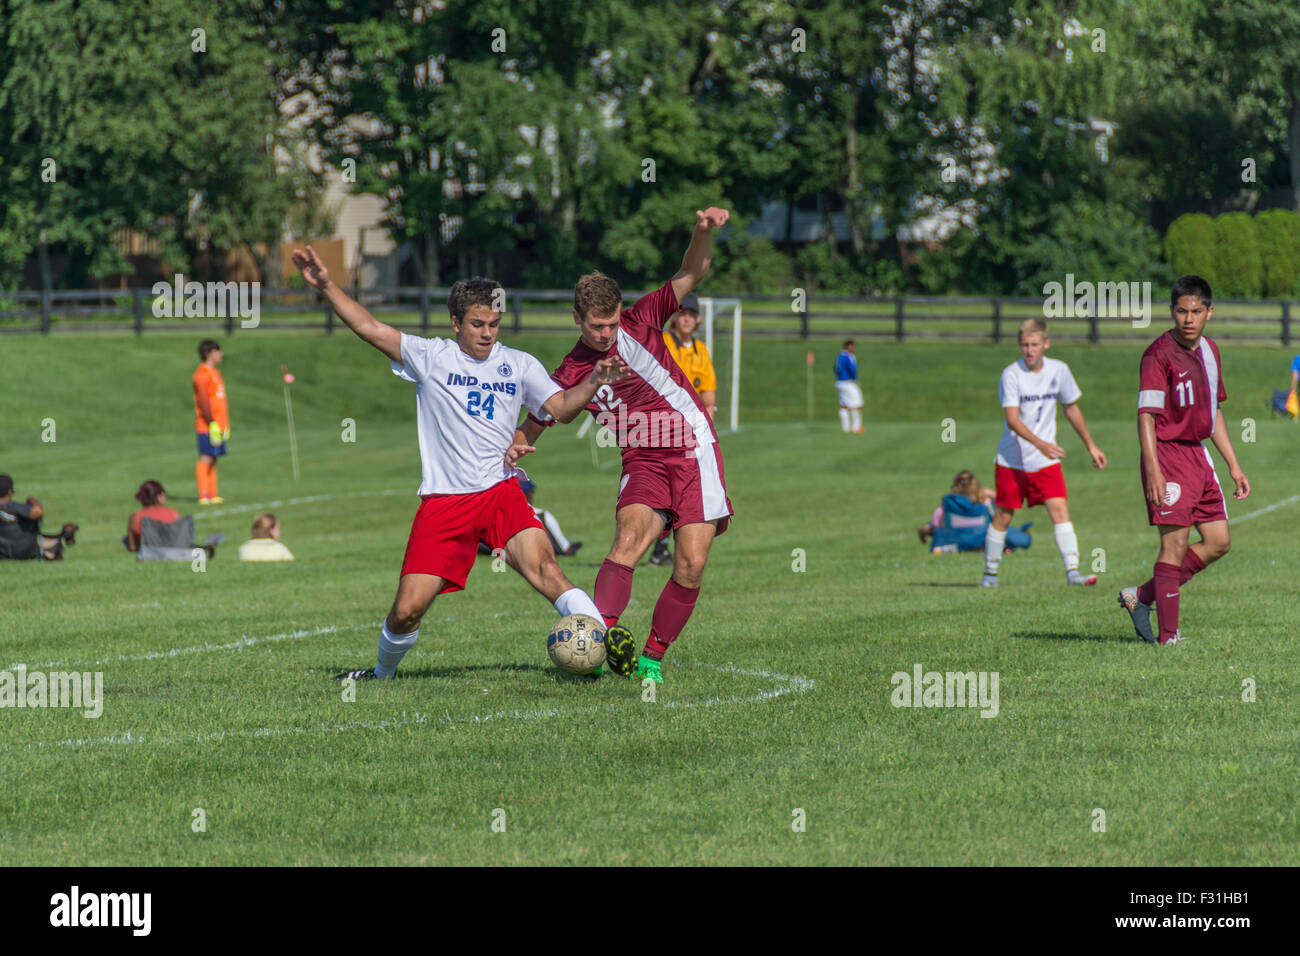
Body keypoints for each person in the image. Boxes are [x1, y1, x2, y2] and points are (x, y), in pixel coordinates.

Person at [291, 245, 626, 681]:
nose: (487, 333)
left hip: (500, 492)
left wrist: (595, 381)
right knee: (407, 611)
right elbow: (369, 327)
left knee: (547, 570)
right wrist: (327, 285)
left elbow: (561, 408)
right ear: (455, 323)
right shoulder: (431, 357)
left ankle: (603, 640)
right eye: (477, 324)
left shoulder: (518, 365)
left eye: (493, 324)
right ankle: (381, 673)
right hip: (445, 503)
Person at [511, 207, 733, 686]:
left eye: (611, 325)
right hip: (643, 457)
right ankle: (598, 640)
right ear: (577, 319)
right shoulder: (572, 369)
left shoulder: (644, 317)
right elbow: (546, 415)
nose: (607, 334)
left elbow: (693, 271)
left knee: (691, 564)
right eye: (596, 327)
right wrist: (515, 449)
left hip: (691, 444)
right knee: (626, 544)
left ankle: (652, 656)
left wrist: (701, 229)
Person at [1118, 276, 1250, 645]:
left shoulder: (1210, 351)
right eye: (1181, 311)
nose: (1188, 318)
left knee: (1218, 541)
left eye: (1196, 311)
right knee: (1173, 547)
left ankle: (1141, 597)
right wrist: (1154, 470)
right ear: (1172, 311)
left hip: (1198, 454)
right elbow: (1145, 415)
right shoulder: (1157, 354)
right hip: (1167, 453)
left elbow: (1215, 412)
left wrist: (1233, 465)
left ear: (1210, 312)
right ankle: (1168, 637)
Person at [980, 318, 1107, 588]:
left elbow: (1071, 408)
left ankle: (1073, 572)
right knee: (1003, 515)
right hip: (1012, 459)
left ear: (1046, 344)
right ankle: (990, 576)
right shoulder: (1011, 374)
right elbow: (1013, 419)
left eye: (1034, 344)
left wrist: (1091, 445)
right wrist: (1041, 443)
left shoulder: (1059, 370)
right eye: (1024, 345)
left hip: (1045, 460)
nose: (1029, 350)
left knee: (1059, 508)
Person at [650, 292, 719, 566]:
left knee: (686, 491)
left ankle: (669, 546)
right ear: (675, 317)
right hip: (664, 425)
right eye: (683, 314)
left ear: (698, 319)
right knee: (663, 488)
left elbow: (709, 396)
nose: (687, 319)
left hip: (694, 429)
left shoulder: (701, 349)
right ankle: (657, 544)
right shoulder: (664, 342)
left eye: (692, 314)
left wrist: (706, 431)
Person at [918, 470, 1032, 554]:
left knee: (938, 530)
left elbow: (935, 527)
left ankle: (950, 548)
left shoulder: (945, 507)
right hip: (981, 540)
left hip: (953, 539)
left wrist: (923, 530)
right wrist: (991, 493)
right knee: (1007, 533)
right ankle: (1003, 548)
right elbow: (1005, 502)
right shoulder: (986, 504)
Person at [477, 477, 581, 557]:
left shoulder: (491, 515)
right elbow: (565, 549)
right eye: (532, 492)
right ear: (527, 494)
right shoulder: (541, 515)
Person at [0, 474, 77, 561]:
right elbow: (38, 512)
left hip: (2, 552)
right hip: (26, 551)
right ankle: (58, 542)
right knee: (53, 540)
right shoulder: (13, 507)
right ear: (10, 491)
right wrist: (31, 500)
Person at [193, 340, 230, 505]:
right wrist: (211, 422)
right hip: (207, 424)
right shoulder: (201, 374)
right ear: (209, 354)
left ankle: (213, 493)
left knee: (214, 458)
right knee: (206, 457)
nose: (220, 355)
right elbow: (203, 400)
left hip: (219, 423)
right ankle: (203, 494)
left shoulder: (215, 373)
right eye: (217, 351)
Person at [125, 480, 181, 552]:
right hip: (171, 550)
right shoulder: (173, 514)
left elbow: (132, 547)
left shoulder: (135, 517)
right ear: (158, 497)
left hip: (148, 552)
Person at [835, 340, 863, 434]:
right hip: (848, 382)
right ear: (848, 347)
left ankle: (845, 428)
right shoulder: (848, 356)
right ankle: (856, 427)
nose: (854, 349)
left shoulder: (839, 356)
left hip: (839, 382)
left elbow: (835, 369)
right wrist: (855, 379)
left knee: (844, 405)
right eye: (853, 346)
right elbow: (852, 368)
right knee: (857, 404)